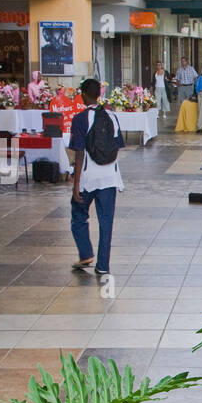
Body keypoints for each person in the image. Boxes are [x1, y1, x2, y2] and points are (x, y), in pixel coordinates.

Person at [70, 77, 124, 278]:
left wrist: (76, 185)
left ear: (84, 95)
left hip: (88, 178)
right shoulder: (111, 116)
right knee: (106, 221)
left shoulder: (80, 119)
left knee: (78, 214)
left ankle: (85, 253)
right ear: (99, 95)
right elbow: (118, 145)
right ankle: (103, 265)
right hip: (110, 177)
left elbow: (79, 153)